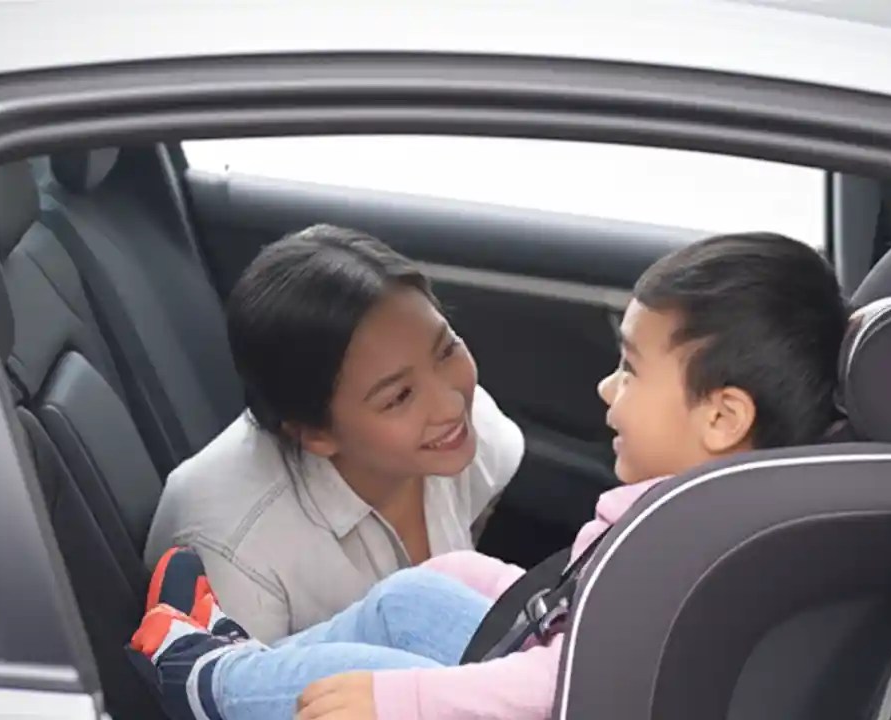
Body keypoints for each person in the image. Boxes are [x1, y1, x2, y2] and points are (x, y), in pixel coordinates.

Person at [130, 232, 849, 720]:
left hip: (584, 692)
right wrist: (475, 577)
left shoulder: (693, 541)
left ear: (722, 418)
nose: (606, 388)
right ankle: (237, 662)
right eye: (399, 395)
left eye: (629, 369)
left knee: (363, 680)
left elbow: (570, 680)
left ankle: (200, 674)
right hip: (602, 680)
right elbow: (587, 623)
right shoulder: (750, 507)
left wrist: (397, 701)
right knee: (417, 594)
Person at [144, 225, 525, 642]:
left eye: (446, 349)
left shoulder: (462, 429)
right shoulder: (233, 552)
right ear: (315, 433)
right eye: (399, 397)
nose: (452, 404)